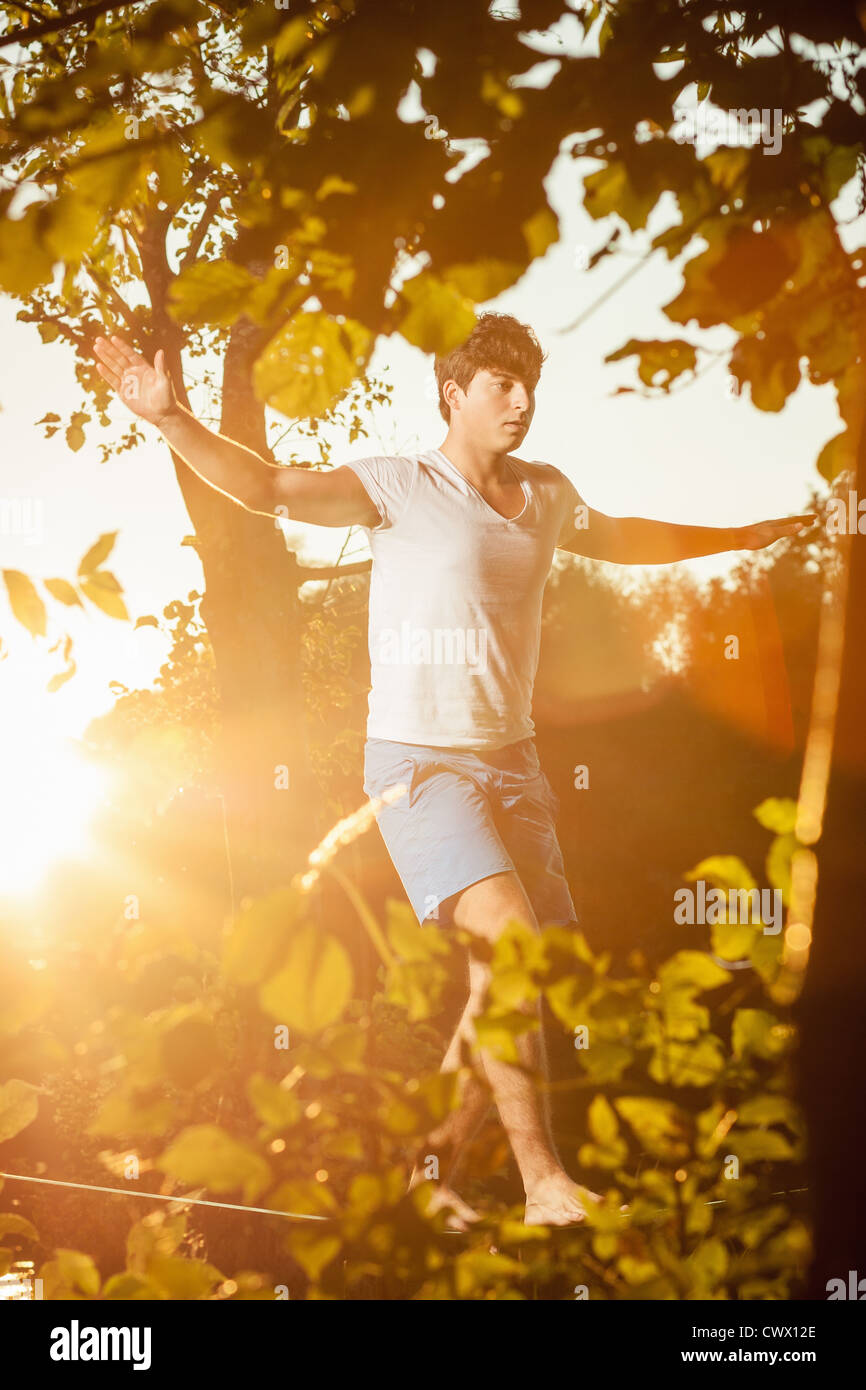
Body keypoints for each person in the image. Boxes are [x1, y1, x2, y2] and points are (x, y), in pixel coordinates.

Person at [93, 312, 813, 1230]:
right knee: (513, 953)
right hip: (417, 763)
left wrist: (742, 535)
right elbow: (272, 486)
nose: (522, 401)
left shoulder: (547, 496)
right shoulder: (400, 483)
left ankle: (422, 1178)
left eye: (530, 386)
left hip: (514, 763)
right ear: (454, 396)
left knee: (516, 982)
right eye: (502, 385)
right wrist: (170, 421)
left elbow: (624, 536)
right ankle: (543, 1181)